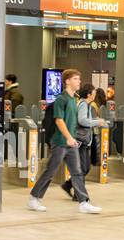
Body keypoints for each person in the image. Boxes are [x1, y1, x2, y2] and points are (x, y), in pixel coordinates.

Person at [28, 68, 99, 214]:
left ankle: (84, 202)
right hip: (60, 142)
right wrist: (69, 137)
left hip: (70, 143)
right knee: (50, 171)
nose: (78, 81)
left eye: (79, 79)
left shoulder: (74, 99)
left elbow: (72, 122)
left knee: (77, 172)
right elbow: (59, 121)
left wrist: (73, 139)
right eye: (75, 79)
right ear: (67, 81)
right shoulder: (62, 99)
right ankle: (34, 198)